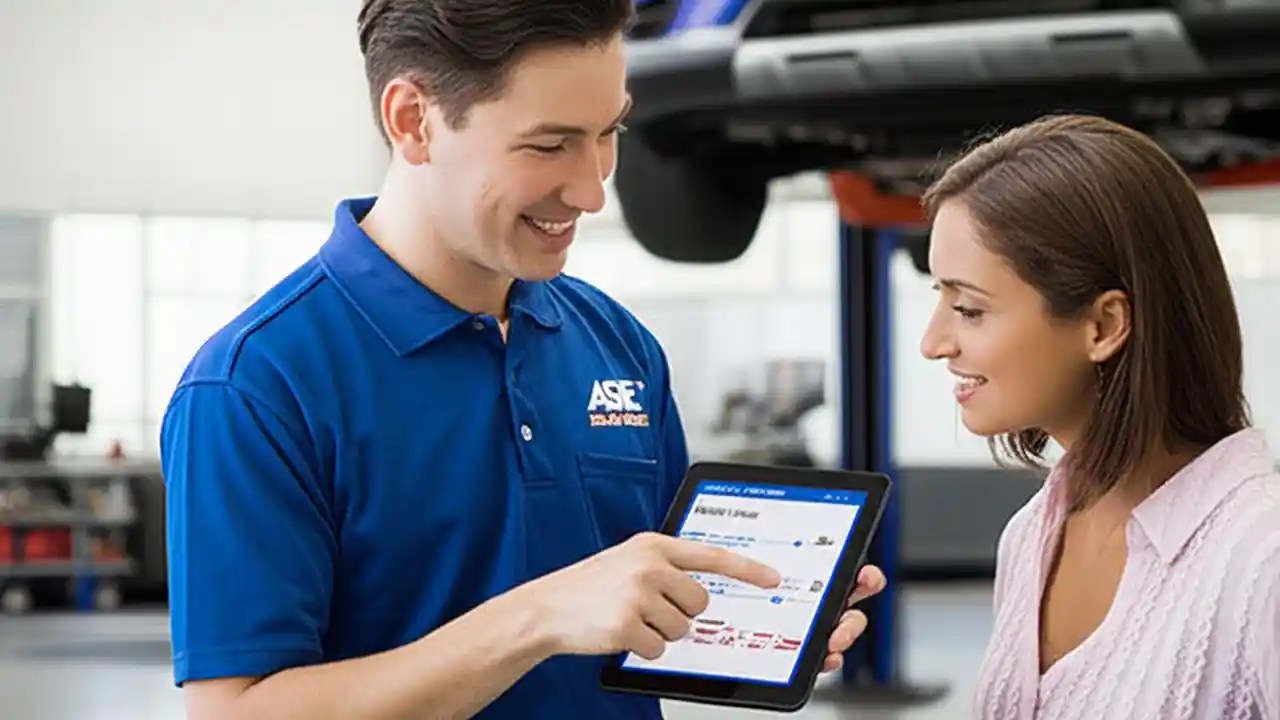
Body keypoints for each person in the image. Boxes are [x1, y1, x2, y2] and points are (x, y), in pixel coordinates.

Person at [160, 2, 886, 719]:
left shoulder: (618, 345)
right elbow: (237, 711)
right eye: (549, 144)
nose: (592, 190)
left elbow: (634, 609)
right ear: (414, 121)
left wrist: (766, 613)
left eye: (610, 132)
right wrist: (537, 619)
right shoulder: (256, 387)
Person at [919, 114, 1280, 719]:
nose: (934, 343)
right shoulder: (1032, 534)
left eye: (969, 308)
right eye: (941, 299)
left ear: (1104, 326)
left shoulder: (1260, 562)